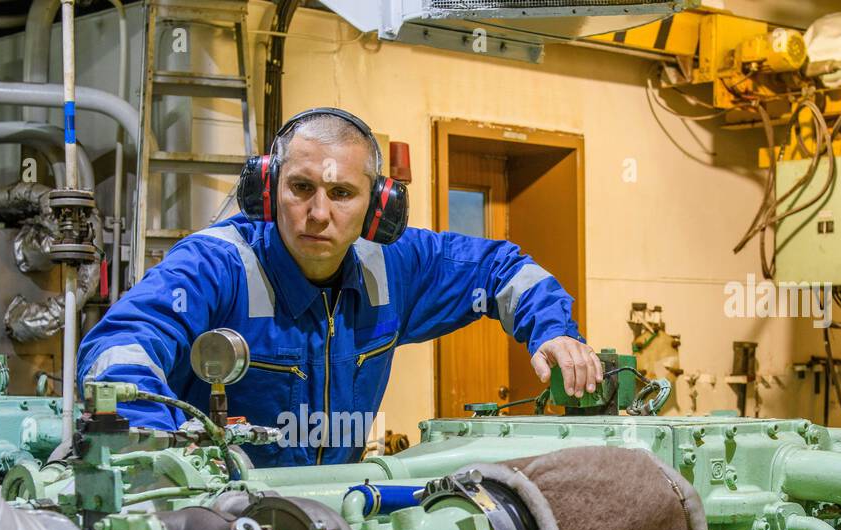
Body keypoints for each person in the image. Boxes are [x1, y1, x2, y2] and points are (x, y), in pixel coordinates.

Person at [77, 107, 603, 466]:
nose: (318, 213)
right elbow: (120, 346)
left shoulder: (397, 266)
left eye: (343, 193)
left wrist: (552, 331)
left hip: (337, 515)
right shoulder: (217, 264)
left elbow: (501, 267)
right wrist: (147, 442)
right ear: (268, 189)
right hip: (221, 524)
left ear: (379, 208)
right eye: (301, 187)